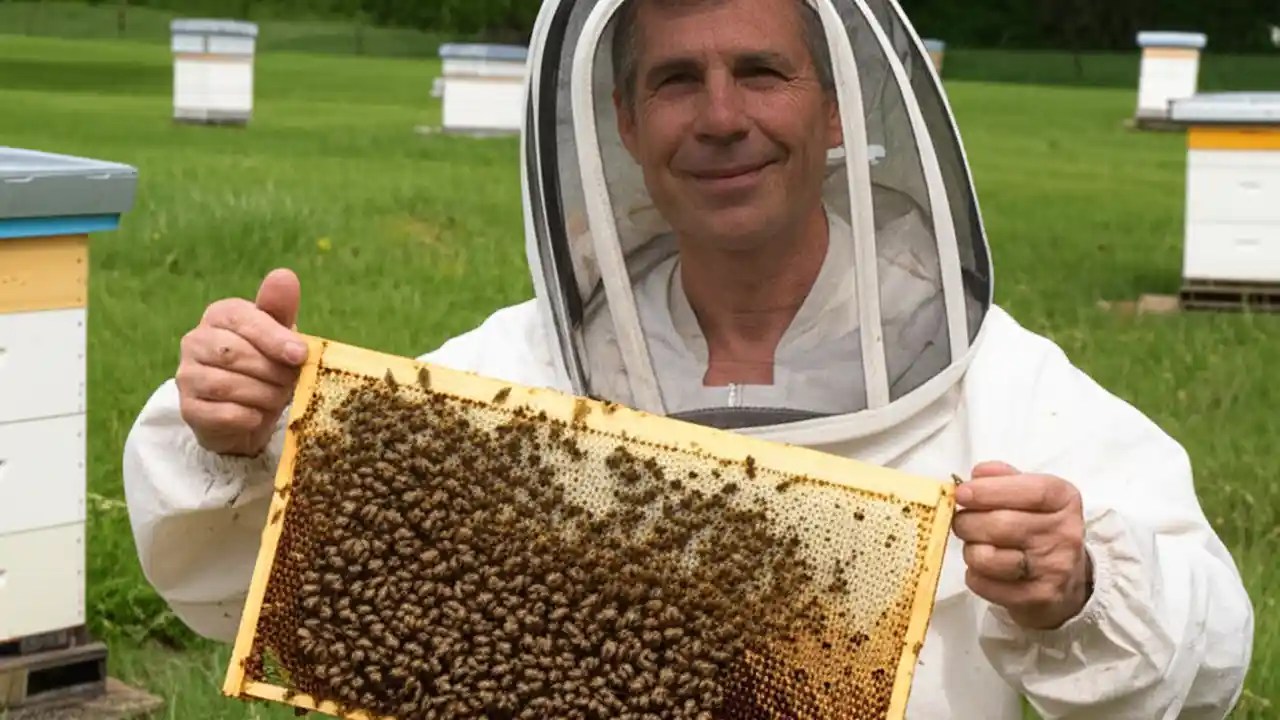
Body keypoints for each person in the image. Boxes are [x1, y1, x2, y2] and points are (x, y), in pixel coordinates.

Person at [122, 0, 1255, 717]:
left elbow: (1205, 660)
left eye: (760, 71)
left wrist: (1082, 589)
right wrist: (237, 436)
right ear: (621, 122)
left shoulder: (1001, 386)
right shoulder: (512, 374)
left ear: (831, 114)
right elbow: (236, 585)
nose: (719, 116)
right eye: (675, 79)